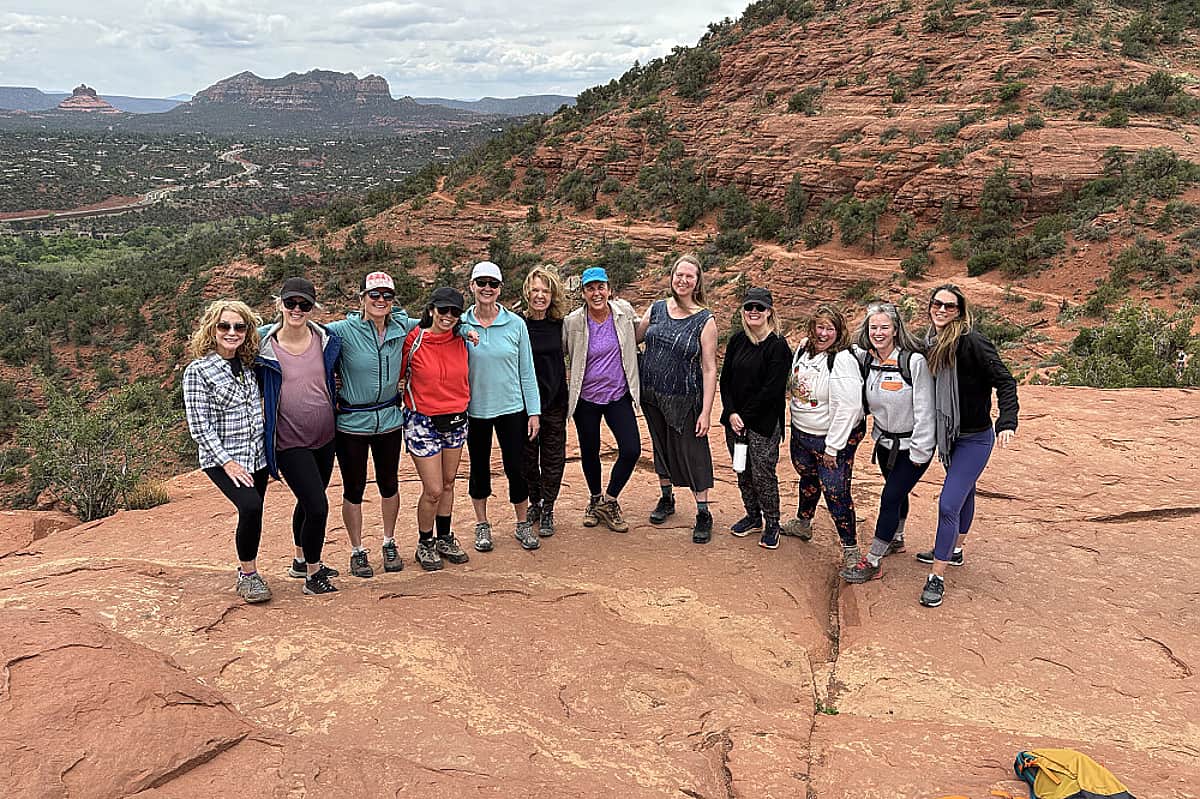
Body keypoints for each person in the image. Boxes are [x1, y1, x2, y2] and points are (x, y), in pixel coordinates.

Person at [916, 284, 1019, 608]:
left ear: (960, 311)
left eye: (949, 306)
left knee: (948, 504)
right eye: (937, 304)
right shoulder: (931, 343)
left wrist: (1007, 421)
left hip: (975, 438)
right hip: (950, 437)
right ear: (930, 306)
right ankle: (955, 549)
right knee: (965, 493)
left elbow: (1005, 380)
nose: (942, 310)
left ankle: (937, 577)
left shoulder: (973, 343)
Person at [257, 277, 343, 596]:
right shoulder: (263, 346)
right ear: (279, 304)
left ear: (312, 308)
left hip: (325, 436)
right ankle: (313, 574)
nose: (297, 309)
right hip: (289, 441)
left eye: (304, 304)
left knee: (309, 501)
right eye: (291, 303)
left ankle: (299, 560)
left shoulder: (326, 339)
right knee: (318, 507)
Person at [324, 272, 412, 578]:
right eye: (374, 295)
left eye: (387, 296)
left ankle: (389, 541)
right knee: (354, 488)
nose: (380, 301)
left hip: (389, 419)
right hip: (352, 423)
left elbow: (439, 321)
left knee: (389, 483)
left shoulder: (401, 326)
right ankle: (357, 550)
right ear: (362, 298)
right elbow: (300, 332)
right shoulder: (342, 331)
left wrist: (468, 331)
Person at [183, 300, 272, 604]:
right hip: (224, 459)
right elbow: (199, 427)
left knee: (255, 510)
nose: (231, 332)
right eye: (224, 326)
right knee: (250, 507)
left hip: (256, 456)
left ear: (247, 331)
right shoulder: (199, 371)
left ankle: (250, 568)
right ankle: (247, 576)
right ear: (212, 329)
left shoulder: (249, 365)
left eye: (239, 326)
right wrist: (228, 463)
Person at [841, 302, 935, 583]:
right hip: (884, 444)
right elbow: (844, 352)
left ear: (896, 329)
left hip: (913, 446)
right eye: (873, 327)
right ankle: (897, 537)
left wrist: (921, 450)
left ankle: (873, 560)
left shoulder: (912, 362)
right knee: (897, 492)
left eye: (884, 327)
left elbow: (925, 409)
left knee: (890, 496)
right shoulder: (868, 360)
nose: (878, 332)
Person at [636, 254, 718, 543]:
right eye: (678, 275)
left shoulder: (704, 320)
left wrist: (706, 412)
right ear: (671, 277)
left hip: (685, 399)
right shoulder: (657, 309)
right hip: (652, 396)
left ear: (697, 282)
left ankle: (703, 512)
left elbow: (709, 368)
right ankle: (667, 498)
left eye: (689, 277)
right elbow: (633, 338)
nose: (683, 280)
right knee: (661, 446)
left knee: (693, 453)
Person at [462, 261, 542, 553]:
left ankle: (521, 523)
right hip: (475, 410)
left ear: (500, 289)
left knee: (516, 467)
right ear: (472, 286)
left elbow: (527, 371)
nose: (486, 289)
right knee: (479, 468)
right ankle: (482, 524)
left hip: (511, 408)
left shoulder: (515, 324)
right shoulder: (460, 324)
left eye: (492, 284)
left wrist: (533, 411)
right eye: (481, 283)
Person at [785, 304, 866, 570]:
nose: (823, 333)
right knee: (808, 478)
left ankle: (850, 547)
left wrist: (833, 447)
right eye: (820, 327)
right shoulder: (804, 347)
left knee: (835, 490)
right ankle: (803, 523)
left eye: (830, 329)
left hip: (830, 439)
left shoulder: (842, 360)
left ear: (839, 332)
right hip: (802, 433)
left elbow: (850, 407)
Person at [564, 266, 642, 533]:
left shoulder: (623, 313)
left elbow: (640, 334)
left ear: (609, 289)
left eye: (601, 287)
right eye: (590, 288)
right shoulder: (573, 321)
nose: (596, 293)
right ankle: (595, 498)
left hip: (617, 394)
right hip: (586, 398)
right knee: (590, 451)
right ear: (583, 292)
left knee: (631, 449)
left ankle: (609, 501)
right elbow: (560, 351)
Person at [400, 287, 472, 571]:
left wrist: (465, 329)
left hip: (455, 418)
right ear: (431, 309)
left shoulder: (461, 338)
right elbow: (400, 374)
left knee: (449, 483)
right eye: (444, 310)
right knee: (433, 489)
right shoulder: (414, 340)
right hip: (423, 421)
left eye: (455, 312)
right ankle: (424, 542)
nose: (449, 317)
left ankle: (444, 537)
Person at [718, 287, 792, 549]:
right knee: (742, 470)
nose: (753, 312)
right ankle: (752, 515)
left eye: (759, 308)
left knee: (763, 473)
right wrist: (731, 413)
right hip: (735, 424)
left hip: (762, 425)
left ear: (769, 312)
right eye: (749, 307)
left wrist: (743, 417)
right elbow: (724, 380)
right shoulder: (738, 340)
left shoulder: (778, 347)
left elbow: (772, 391)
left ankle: (772, 522)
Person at [521, 266, 569, 537]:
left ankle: (548, 506)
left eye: (546, 291)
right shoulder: (518, 324)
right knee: (528, 458)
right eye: (536, 290)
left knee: (553, 457)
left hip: (554, 402)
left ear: (553, 295)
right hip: (526, 405)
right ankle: (535, 502)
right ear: (528, 292)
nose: (540, 296)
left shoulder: (559, 324)